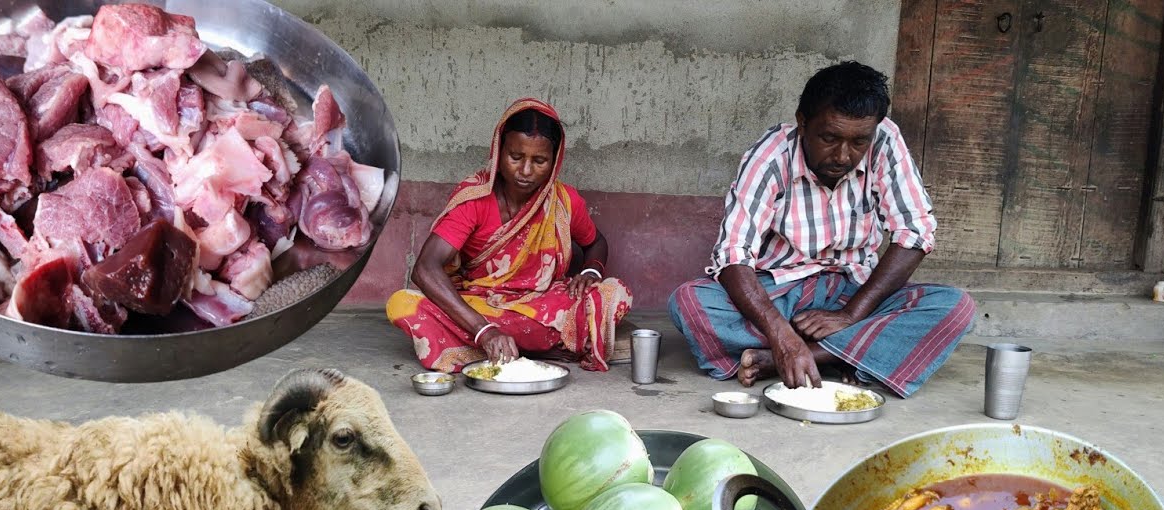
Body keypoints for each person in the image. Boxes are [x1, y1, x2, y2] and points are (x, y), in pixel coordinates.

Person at [668, 61, 975, 398]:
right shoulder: (772, 155)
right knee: (690, 302)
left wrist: (850, 314)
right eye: (829, 138)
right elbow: (732, 254)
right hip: (779, 294)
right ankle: (846, 353)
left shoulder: (885, 141)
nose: (843, 155)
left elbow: (915, 232)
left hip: (855, 290)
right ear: (802, 122)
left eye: (859, 142)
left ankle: (799, 357)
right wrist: (781, 334)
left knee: (955, 307)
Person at [386, 98, 633, 372]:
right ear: (498, 151)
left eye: (539, 161)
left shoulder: (564, 202)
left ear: (555, 161)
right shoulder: (475, 199)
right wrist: (485, 330)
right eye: (515, 157)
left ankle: (490, 348)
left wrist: (591, 273)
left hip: (541, 304)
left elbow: (596, 242)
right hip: (482, 304)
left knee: (613, 293)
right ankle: (528, 345)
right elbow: (424, 269)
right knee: (403, 303)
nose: (526, 171)